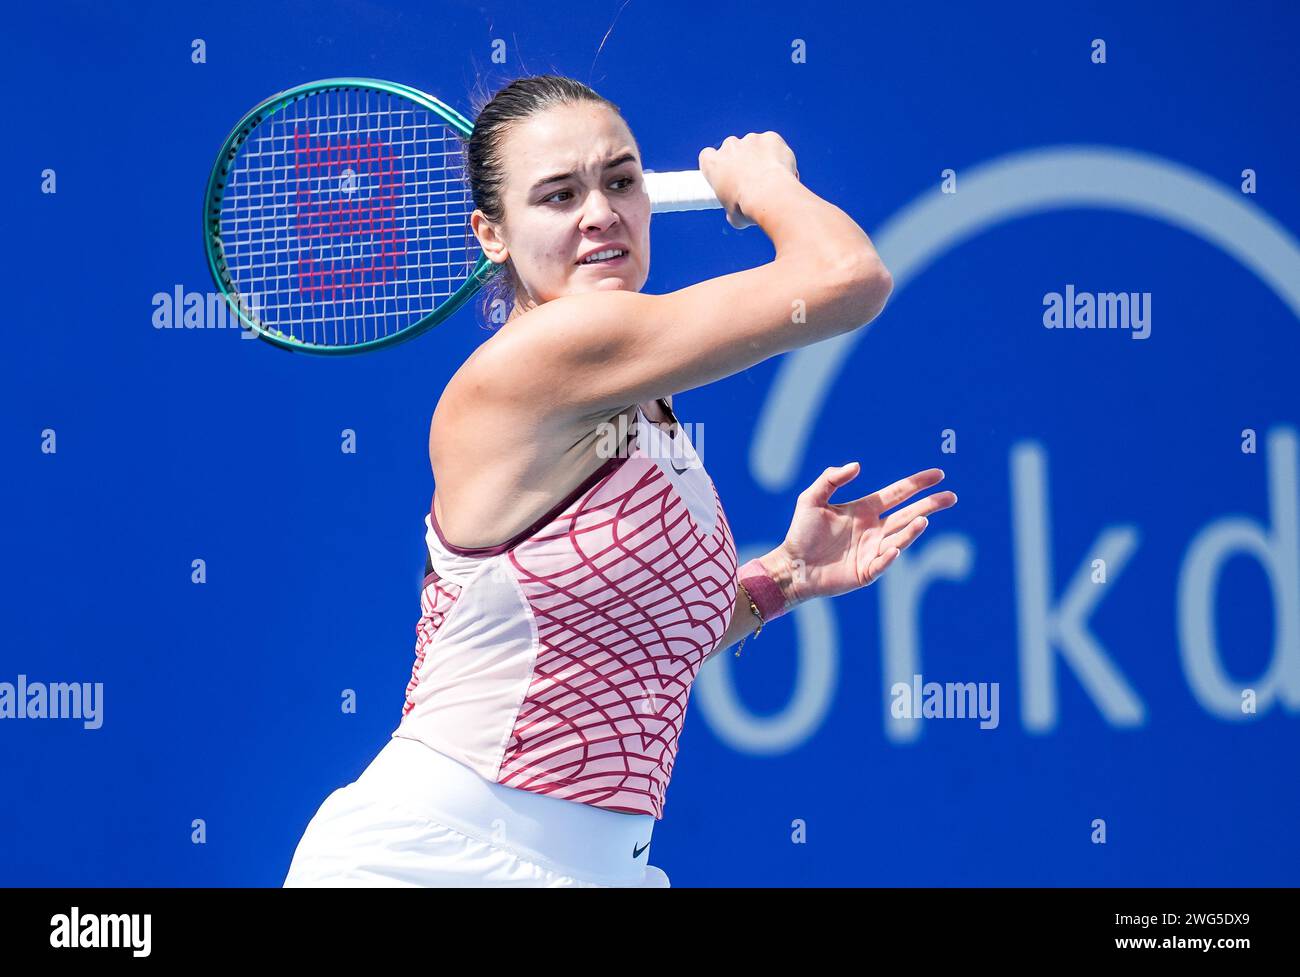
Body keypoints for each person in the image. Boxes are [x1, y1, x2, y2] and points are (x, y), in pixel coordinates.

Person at [283, 74, 956, 888]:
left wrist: (784, 577)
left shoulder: (646, 404)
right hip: (432, 861)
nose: (599, 212)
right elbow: (849, 277)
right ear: (492, 235)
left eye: (621, 181)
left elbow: (621, 654)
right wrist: (765, 182)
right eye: (559, 195)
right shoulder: (556, 350)